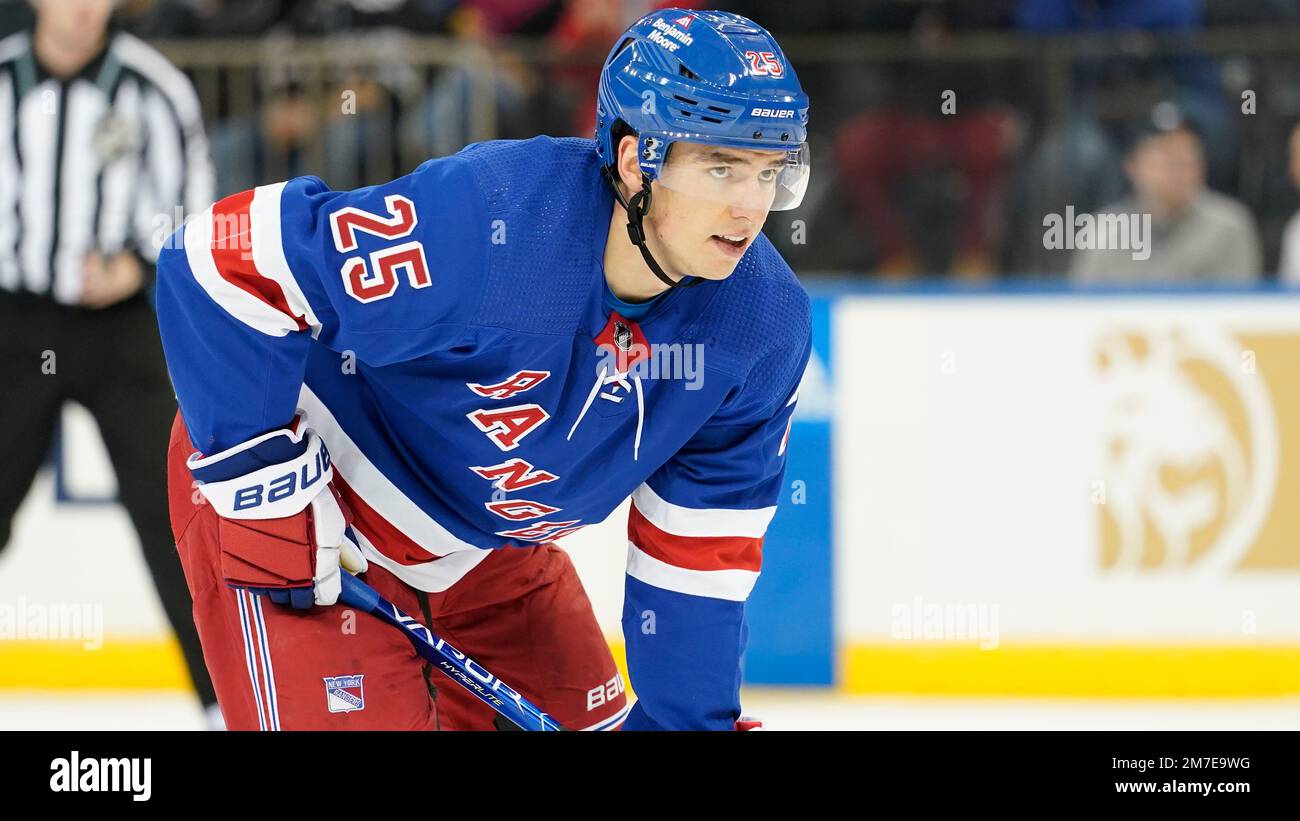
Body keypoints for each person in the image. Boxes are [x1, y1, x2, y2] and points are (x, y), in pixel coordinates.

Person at [156, 8, 812, 730]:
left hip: (489, 553)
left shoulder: (760, 328)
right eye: (721, 166)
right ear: (635, 161)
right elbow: (216, 259)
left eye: (768, 171)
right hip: (320, 512)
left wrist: (687, 721)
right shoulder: (493, 221)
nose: (750, 207)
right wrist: (267, 492)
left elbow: (698, 557)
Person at [0, 0, 218, 724]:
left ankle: (225, 704)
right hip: (13, 325)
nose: (86, 7)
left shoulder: (155, 87)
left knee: (176, 521)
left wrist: (138, 262)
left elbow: (193, 209)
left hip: (120, 329)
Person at [1069, 104, 1261, 283]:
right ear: (1133, 166)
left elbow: (1238, 310)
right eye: (1166, 160)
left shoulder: (1229, 226)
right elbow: (1084, 309)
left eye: (1187, 159)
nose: (1178, 171)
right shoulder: (1104, 230)